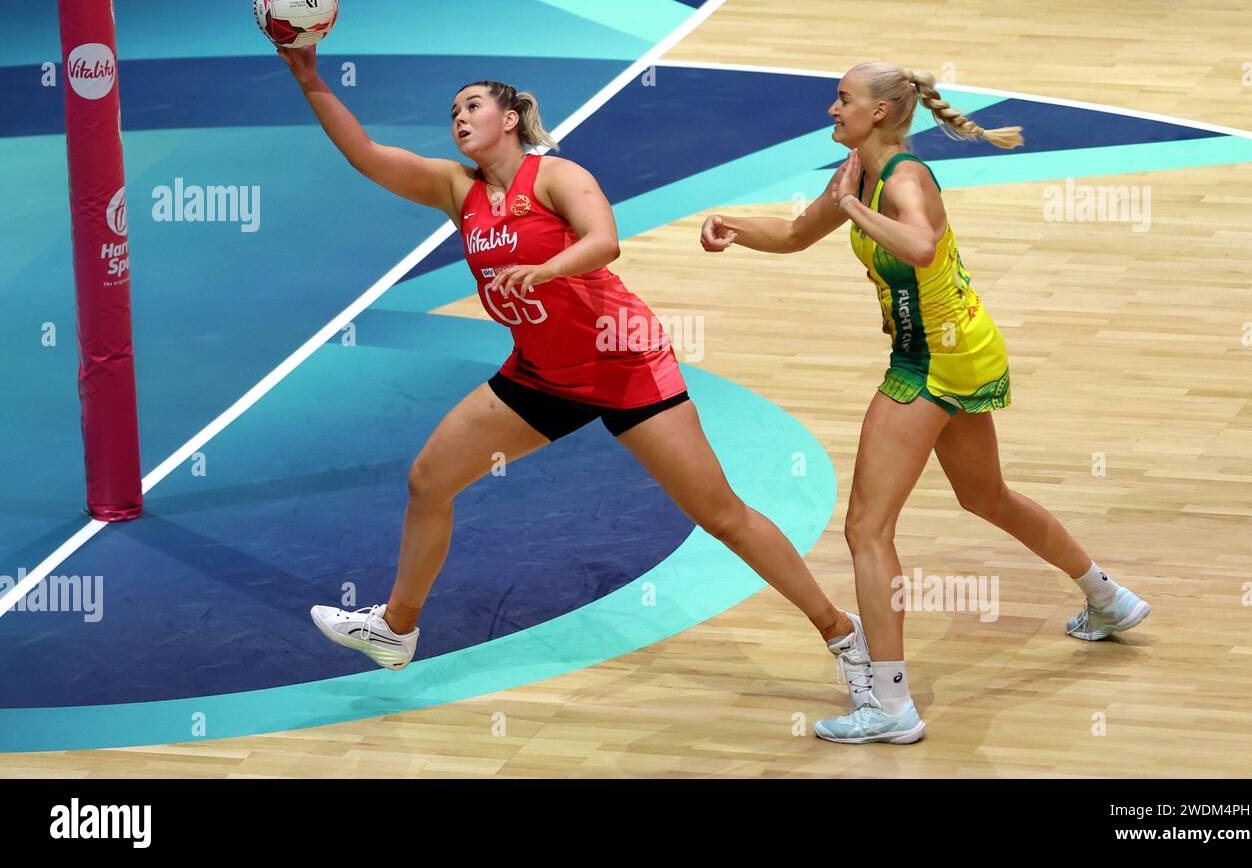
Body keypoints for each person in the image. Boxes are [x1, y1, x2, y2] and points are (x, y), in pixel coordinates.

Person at [275, 44, 875, 707]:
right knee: (428, 480)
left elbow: (603, 240)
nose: (459, 118)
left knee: (720, 514)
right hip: (541, 376)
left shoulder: (555, 175)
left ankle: (843, 632)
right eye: (453, 111)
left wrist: (545, 270)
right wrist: (309, 80)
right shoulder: (458, 190)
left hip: (624, 364)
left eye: (472, 105)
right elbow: (366, 156)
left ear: (510, 118)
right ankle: (395, 629)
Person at [700, 61, 1150, 745]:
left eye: (843, 100)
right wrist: (730, 224)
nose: (831, 109)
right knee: (987, 496)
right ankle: (1109, 598)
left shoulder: (900, 178)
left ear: (879, 113)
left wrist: (851, 205)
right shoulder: (858, 169)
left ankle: (890, 704)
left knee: (866, 529)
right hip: (960, 345)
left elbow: (919, 244)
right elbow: (795, 234)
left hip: (931, 360)